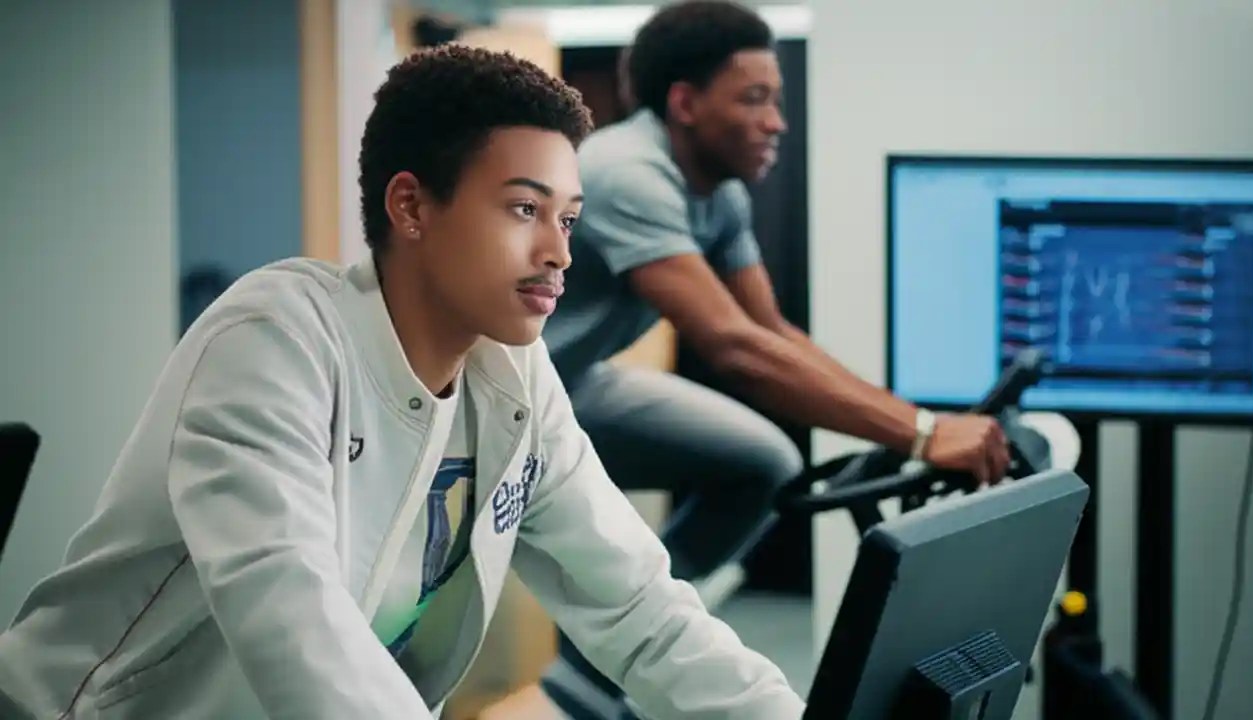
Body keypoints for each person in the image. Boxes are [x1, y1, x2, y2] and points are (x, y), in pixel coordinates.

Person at [0, 45, 805, 720]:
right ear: (412, 207)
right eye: (525, 210)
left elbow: (639, 607)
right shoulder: (277, 336)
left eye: (568, 219)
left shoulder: (514, 374)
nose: (560, 252)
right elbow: (294, 615)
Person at [537, 2, 1010, 718]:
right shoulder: (626, 170)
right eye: (755, 99)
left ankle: (607, 646)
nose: (777, 122)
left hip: (574, 383)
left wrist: (918, 422)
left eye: (776, 101)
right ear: (686, 103)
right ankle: (603, 653)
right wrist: (916, 433)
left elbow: (773, 332)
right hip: (496, 395)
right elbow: (733, 347)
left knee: (762, 464)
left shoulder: (719, 194)